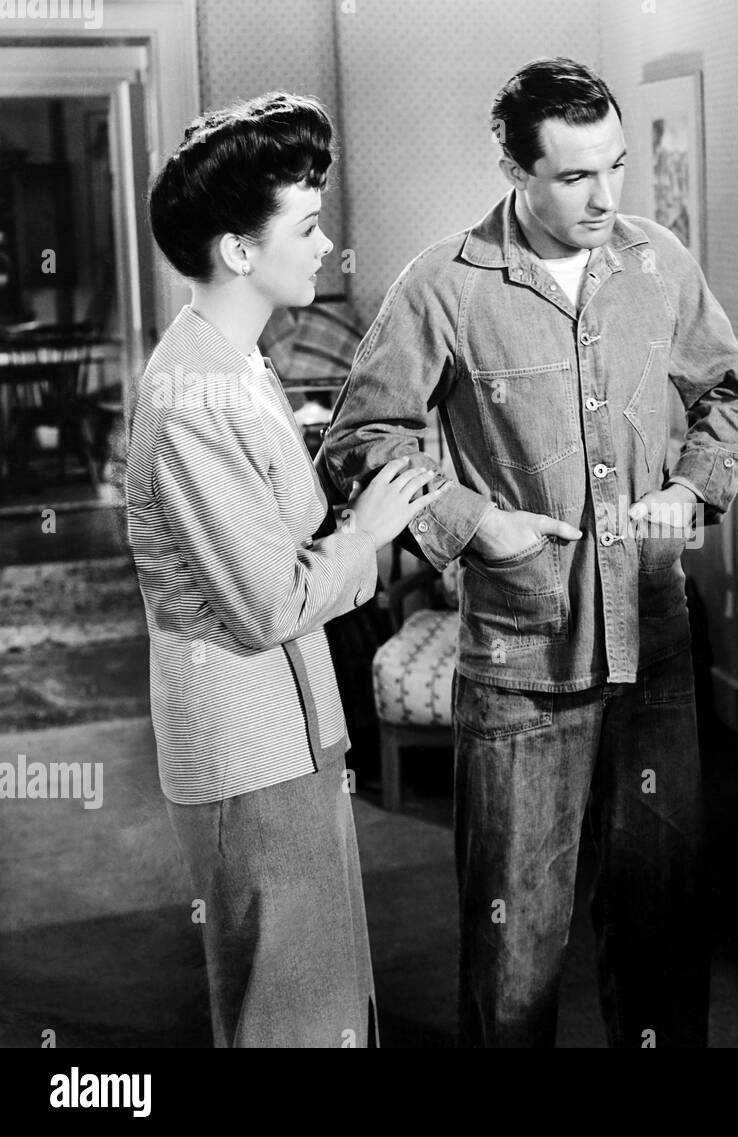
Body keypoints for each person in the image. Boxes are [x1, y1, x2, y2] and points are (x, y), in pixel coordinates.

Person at [321, 57, 738, 1047]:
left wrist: (692, 487)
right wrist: (470, 521)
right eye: (574, 177)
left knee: (660, 925)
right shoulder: (441, 285)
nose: (605, 196)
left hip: (652, 651)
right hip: (523, 668)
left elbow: (736, 399)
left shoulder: (660, 262)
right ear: (514, 170)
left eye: (615, 167)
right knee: (515, 941)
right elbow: (362, 440)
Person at [128, 92, 437, 1047]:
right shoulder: (190, 398)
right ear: (237, 250)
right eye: (305, 225)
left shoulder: (238, 362)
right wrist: (372, 528)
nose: (324, 242)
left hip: (296, 728)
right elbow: (270, 605)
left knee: (323, 989)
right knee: (286, 1009)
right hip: (244, 743)